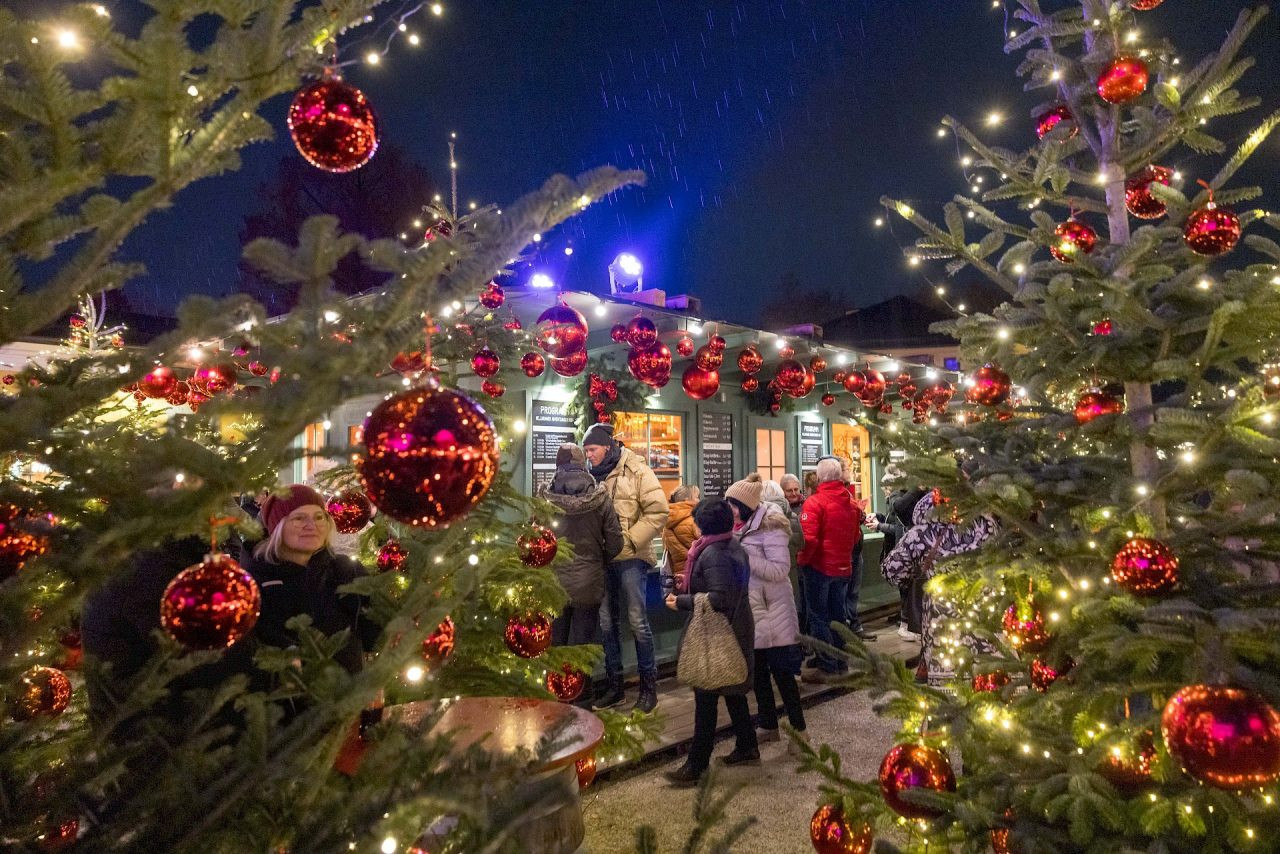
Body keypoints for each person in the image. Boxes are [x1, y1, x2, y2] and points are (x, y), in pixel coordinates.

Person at [663, 499, 758, 785]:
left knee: (706, 696)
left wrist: (682, 601)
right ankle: (747, 745)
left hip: (719, 632)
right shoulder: (729, 545)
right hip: (736, 626)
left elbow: (719, 598)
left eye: (696, 521)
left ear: (706, 524)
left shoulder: (714, 552)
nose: (693, 526)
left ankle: (697, 764)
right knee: (732, 689)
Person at [243, 484, 380, 681]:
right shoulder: (254, 585)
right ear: (277, 527)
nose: (312, 525)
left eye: (319, 517)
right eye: (299, 518)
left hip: (348, 703)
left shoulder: (346, 571)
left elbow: (378, 636)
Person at [582, 422, 669, 713]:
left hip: (631, 558)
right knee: (607, 625)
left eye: (592, 449)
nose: (588, 454)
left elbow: (658, 511)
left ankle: (648, 689)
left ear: (606, 446)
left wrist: (630, 542)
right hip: (602, 560)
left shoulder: (638, 470)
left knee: (637, 621)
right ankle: (615, 687)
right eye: (585, 450)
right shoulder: (589, 476)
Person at [726, 475, 807, 752]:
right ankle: (768, 725)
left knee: (783, 675)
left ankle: (800, 733)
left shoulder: (771, 526)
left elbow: (779, 570)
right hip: (754, 610)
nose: (732, 510)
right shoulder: (742, 527)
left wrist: (745, 557)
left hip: (774, 611)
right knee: (758, 672)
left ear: (747, 505)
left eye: (734, 505)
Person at [538, 443, 623, 646]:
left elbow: (535, 542)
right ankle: (582, 680)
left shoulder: (544, 501)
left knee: (555, 649)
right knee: (582, 650)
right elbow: (615, 543)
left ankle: (554, 679)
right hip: (589, 581)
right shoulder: (600, 499)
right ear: (582, 464)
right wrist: (596, 560)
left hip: (554, 584)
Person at [798, 458, 860, 682]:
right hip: (843, 568)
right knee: (838, 616)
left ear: (821, 476)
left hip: (820, 568)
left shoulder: (815, 503)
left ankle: (827, 666)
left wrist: (801, 560)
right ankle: (840, 661)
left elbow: (809, 541)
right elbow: (855, 536)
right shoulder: (850, 503)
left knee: (818, 617)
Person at [871, 465, 928, 641]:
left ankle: (908, 623)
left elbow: (899, 518)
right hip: (906, 548)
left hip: (908, 549)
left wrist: (879, 525)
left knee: (909, 587)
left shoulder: (903, 497)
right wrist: (880, 518)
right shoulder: (908, 498)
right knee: (908, 587)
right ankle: (909, 623)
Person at [832, 456, 876, 641]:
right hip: (845, 550)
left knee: (853, 591)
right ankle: (848, 627)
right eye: (847, 468)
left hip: (855, 547)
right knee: (845, 591)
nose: (849, 471)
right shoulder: (838, 493)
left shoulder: (848, 491)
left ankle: (853, 624)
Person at [662, 483, 701, 591]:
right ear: (687, 499)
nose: (699, 500)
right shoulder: (693, 521)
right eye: (697, 497)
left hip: (678, 575)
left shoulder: (667, 522)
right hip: (695, 573)